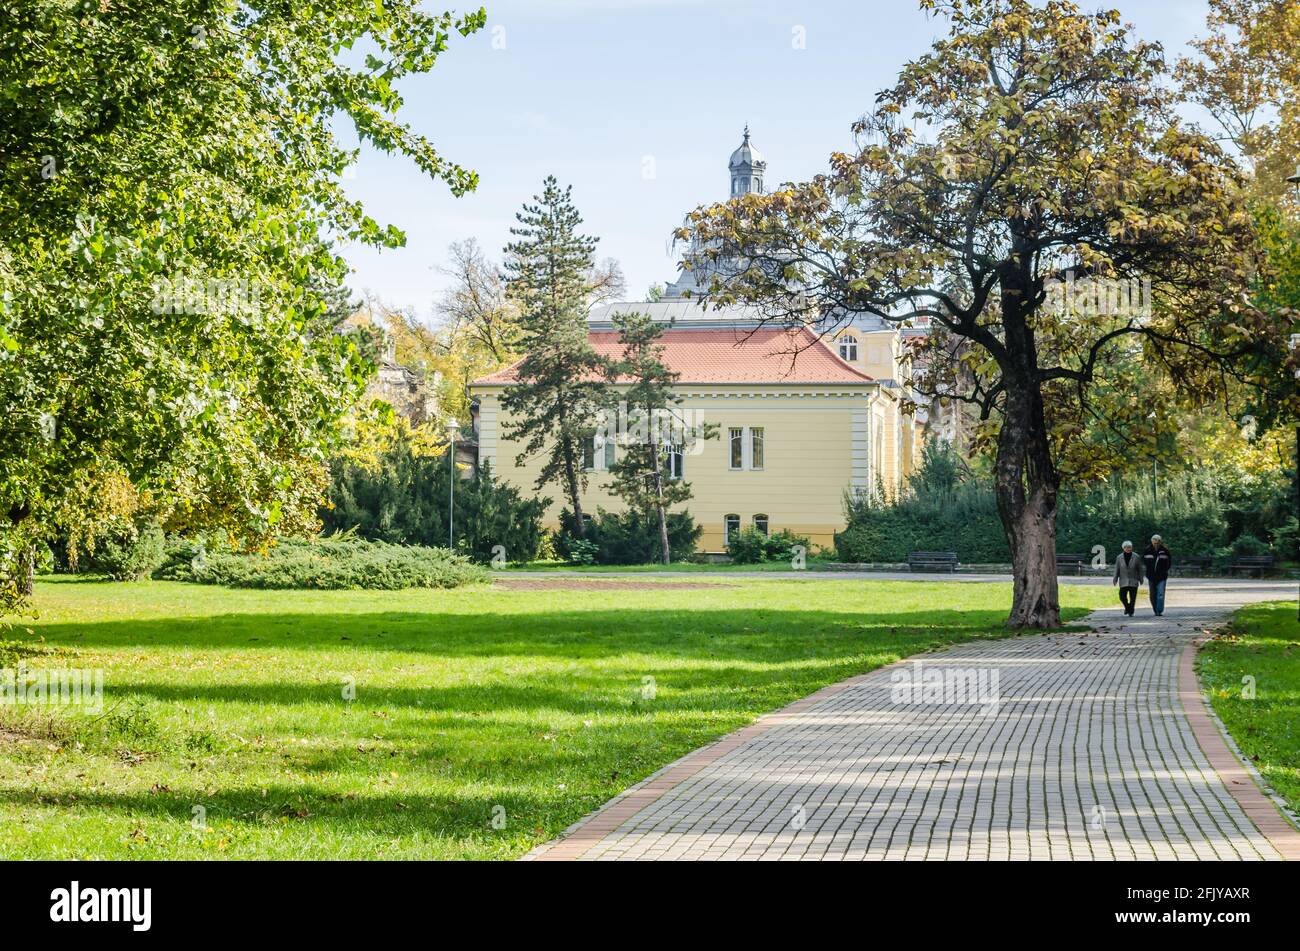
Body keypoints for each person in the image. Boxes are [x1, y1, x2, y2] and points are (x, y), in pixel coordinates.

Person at [1142, 534, 1172, 616]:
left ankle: (1159, 610)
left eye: (1157, 542)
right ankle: (1155, 609)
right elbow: (1144, 562)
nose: (1155, 543)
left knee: (1160, 594)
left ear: (1160, 542)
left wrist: (1164, 571)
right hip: (1151, 576)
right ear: (1151, 541)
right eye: (1154, 541)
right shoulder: (1147, 550)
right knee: (1152, 594)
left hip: (1162, 576)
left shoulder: (1165, 550)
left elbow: (1169, 562)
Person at [1112, 540, 1144, 616]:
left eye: (1130, 547)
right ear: (1123, 548)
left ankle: (1131, 611)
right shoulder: (1119, 557)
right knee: (1122, 596)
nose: (1128, 549)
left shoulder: (1136, 556)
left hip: (1134, 580)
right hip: (1123, 580)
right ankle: (1127, 607)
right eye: (1127, 547)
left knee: (1133, 598)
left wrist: (1141, 579)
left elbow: (1140, 569)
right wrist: (1115, 579)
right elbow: (1117, 569)